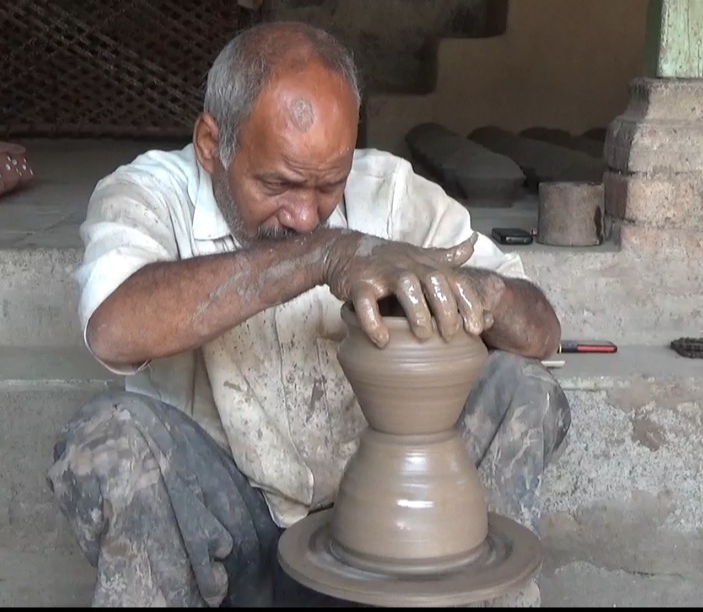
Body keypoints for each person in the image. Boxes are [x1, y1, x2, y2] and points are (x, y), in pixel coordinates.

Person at [46, 21, 571, 608]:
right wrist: (324, 255)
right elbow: (115, 328)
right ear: (212, 144)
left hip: (386, 527)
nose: (303, 213)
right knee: (110, 438)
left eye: (328, 187)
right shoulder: (150, 195)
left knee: (524, 388)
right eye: (279, 184)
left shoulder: (394, 194)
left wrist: (477, 291)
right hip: (227, 525)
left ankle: (468, 591)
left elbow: (540, 328)